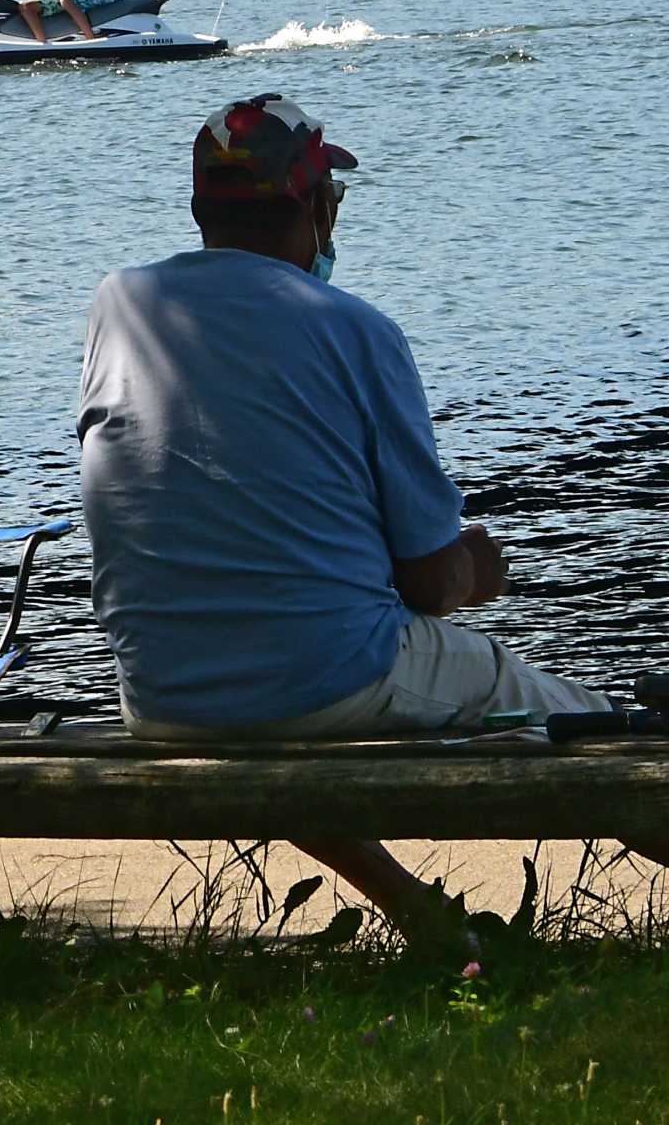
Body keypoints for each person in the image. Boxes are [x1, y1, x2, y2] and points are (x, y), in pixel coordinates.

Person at [74, 94, 669, 948]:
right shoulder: (355, 330)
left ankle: (420, 916)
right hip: (319, 683)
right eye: (334, 199)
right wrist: (474, 570)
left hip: (160, 692)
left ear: (201, 210)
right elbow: (428, 582)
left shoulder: (119, 306)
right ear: (315, 205)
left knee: (280, 695)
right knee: (586, 724)